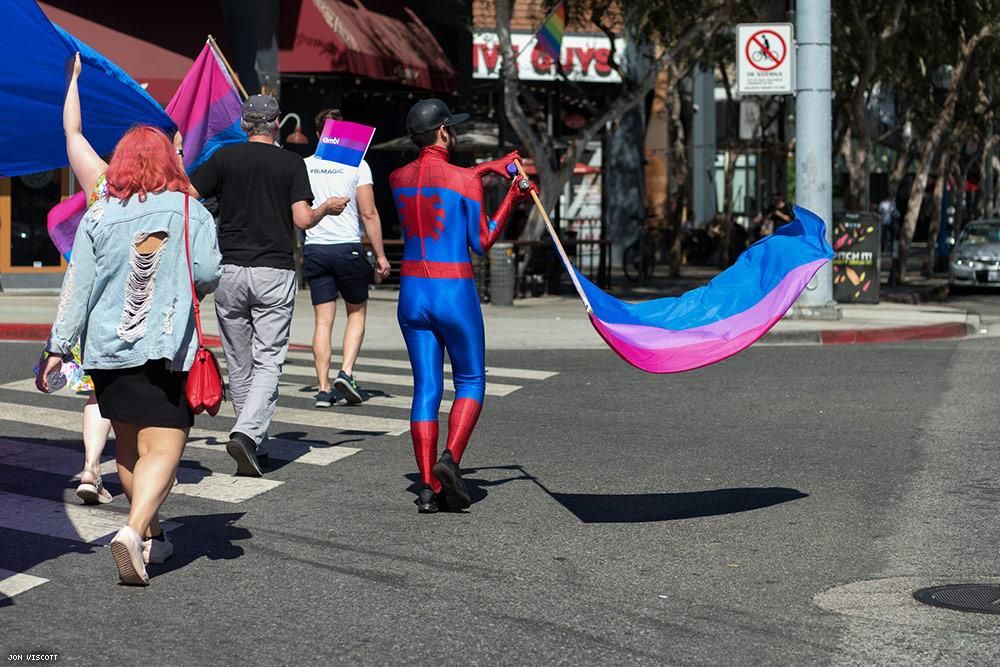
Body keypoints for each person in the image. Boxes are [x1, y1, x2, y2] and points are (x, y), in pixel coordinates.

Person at [37, 125, 222, 586]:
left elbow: (76, 287)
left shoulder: (98, 217)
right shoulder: (189, 210)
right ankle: (133, 529)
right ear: (170, 161)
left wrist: (59, 347)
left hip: (106, 349)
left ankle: (154, 536)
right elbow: (207, 272)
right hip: (164, 345)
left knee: (129, 444)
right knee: (165, 443)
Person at [189, 95, 348, 477]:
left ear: (245, 125)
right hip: (273, 271)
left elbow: (190, 197)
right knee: (269, 360)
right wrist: (326, 208)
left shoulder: (224, 158)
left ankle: (251, 442)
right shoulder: (291, 163)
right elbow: (302, 220)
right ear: (276, 123)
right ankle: (247, 432)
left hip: (228, 270)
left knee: (239, 361)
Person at [388, 98, 534, 513]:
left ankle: (427, 487)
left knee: (426, 388)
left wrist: (485, 169)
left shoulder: (397, 177)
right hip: (454, 290)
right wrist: (512, 195)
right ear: (442, 132)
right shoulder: (464, 180)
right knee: (470, 381)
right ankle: (450, 458)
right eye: (451, 127)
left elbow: (435, 180)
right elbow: (482, 241)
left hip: (413, 290)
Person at [304, 108, 391, 408]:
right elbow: (369, 213)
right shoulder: (358, 166)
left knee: (322, 321)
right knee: (356, 312)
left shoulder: (305, 165)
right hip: (347, 248)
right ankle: (347, 371)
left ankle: (323, 388)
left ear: (319, 134)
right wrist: (380, 256)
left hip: (315, 248)